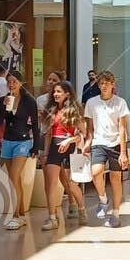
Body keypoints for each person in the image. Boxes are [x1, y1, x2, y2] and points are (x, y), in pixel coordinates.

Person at [0, 71, 43, 231]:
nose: (11, 84)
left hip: (23, 142)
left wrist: (36, 146)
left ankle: (15, 216)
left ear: (21, 83)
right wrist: (3, 107)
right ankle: (21, 215)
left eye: (14, 81)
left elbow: (35, 125)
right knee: (14, 180)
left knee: (14, 177)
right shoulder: (3, 100)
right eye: (9, 82)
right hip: (7, 141)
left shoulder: (29, 101)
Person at [83, 71, 130, 228]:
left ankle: (115, 213)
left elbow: (122, 128)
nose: (104, 86)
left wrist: (123, 152)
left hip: (116, 143)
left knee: (115, 178)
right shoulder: (91, 103)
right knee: (96, 172)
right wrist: (87, 142)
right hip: (99, 142)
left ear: (112, 85)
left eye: (107, 83)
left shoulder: (120, 103)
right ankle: (103, 199)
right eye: (101, 83)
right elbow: (90, 128)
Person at [42, 80, 88, 230]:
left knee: (70, 184)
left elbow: (83, 133)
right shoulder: (52, 110)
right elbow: (48, 134)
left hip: (69, 147)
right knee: (51, 183)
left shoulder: (73, 111)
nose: (55, 94)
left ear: (67, 94)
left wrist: (69, 140)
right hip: (54, 147)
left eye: (59, 91)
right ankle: (52, 218)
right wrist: (46, 153)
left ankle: (81, 208)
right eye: (54, 91)